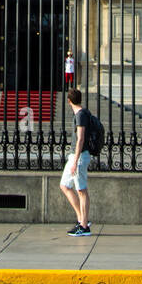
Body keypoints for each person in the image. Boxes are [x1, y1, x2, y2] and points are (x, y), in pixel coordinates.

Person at [60, 88, 92, 237]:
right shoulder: (80, 114)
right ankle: (81, 218)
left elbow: (81, 139)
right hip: (74, 156)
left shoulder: (80, 115)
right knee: (65, 185)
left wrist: (76, 160)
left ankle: (84, 226)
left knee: (81, 190)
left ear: (69, 101)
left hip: (78, 157)